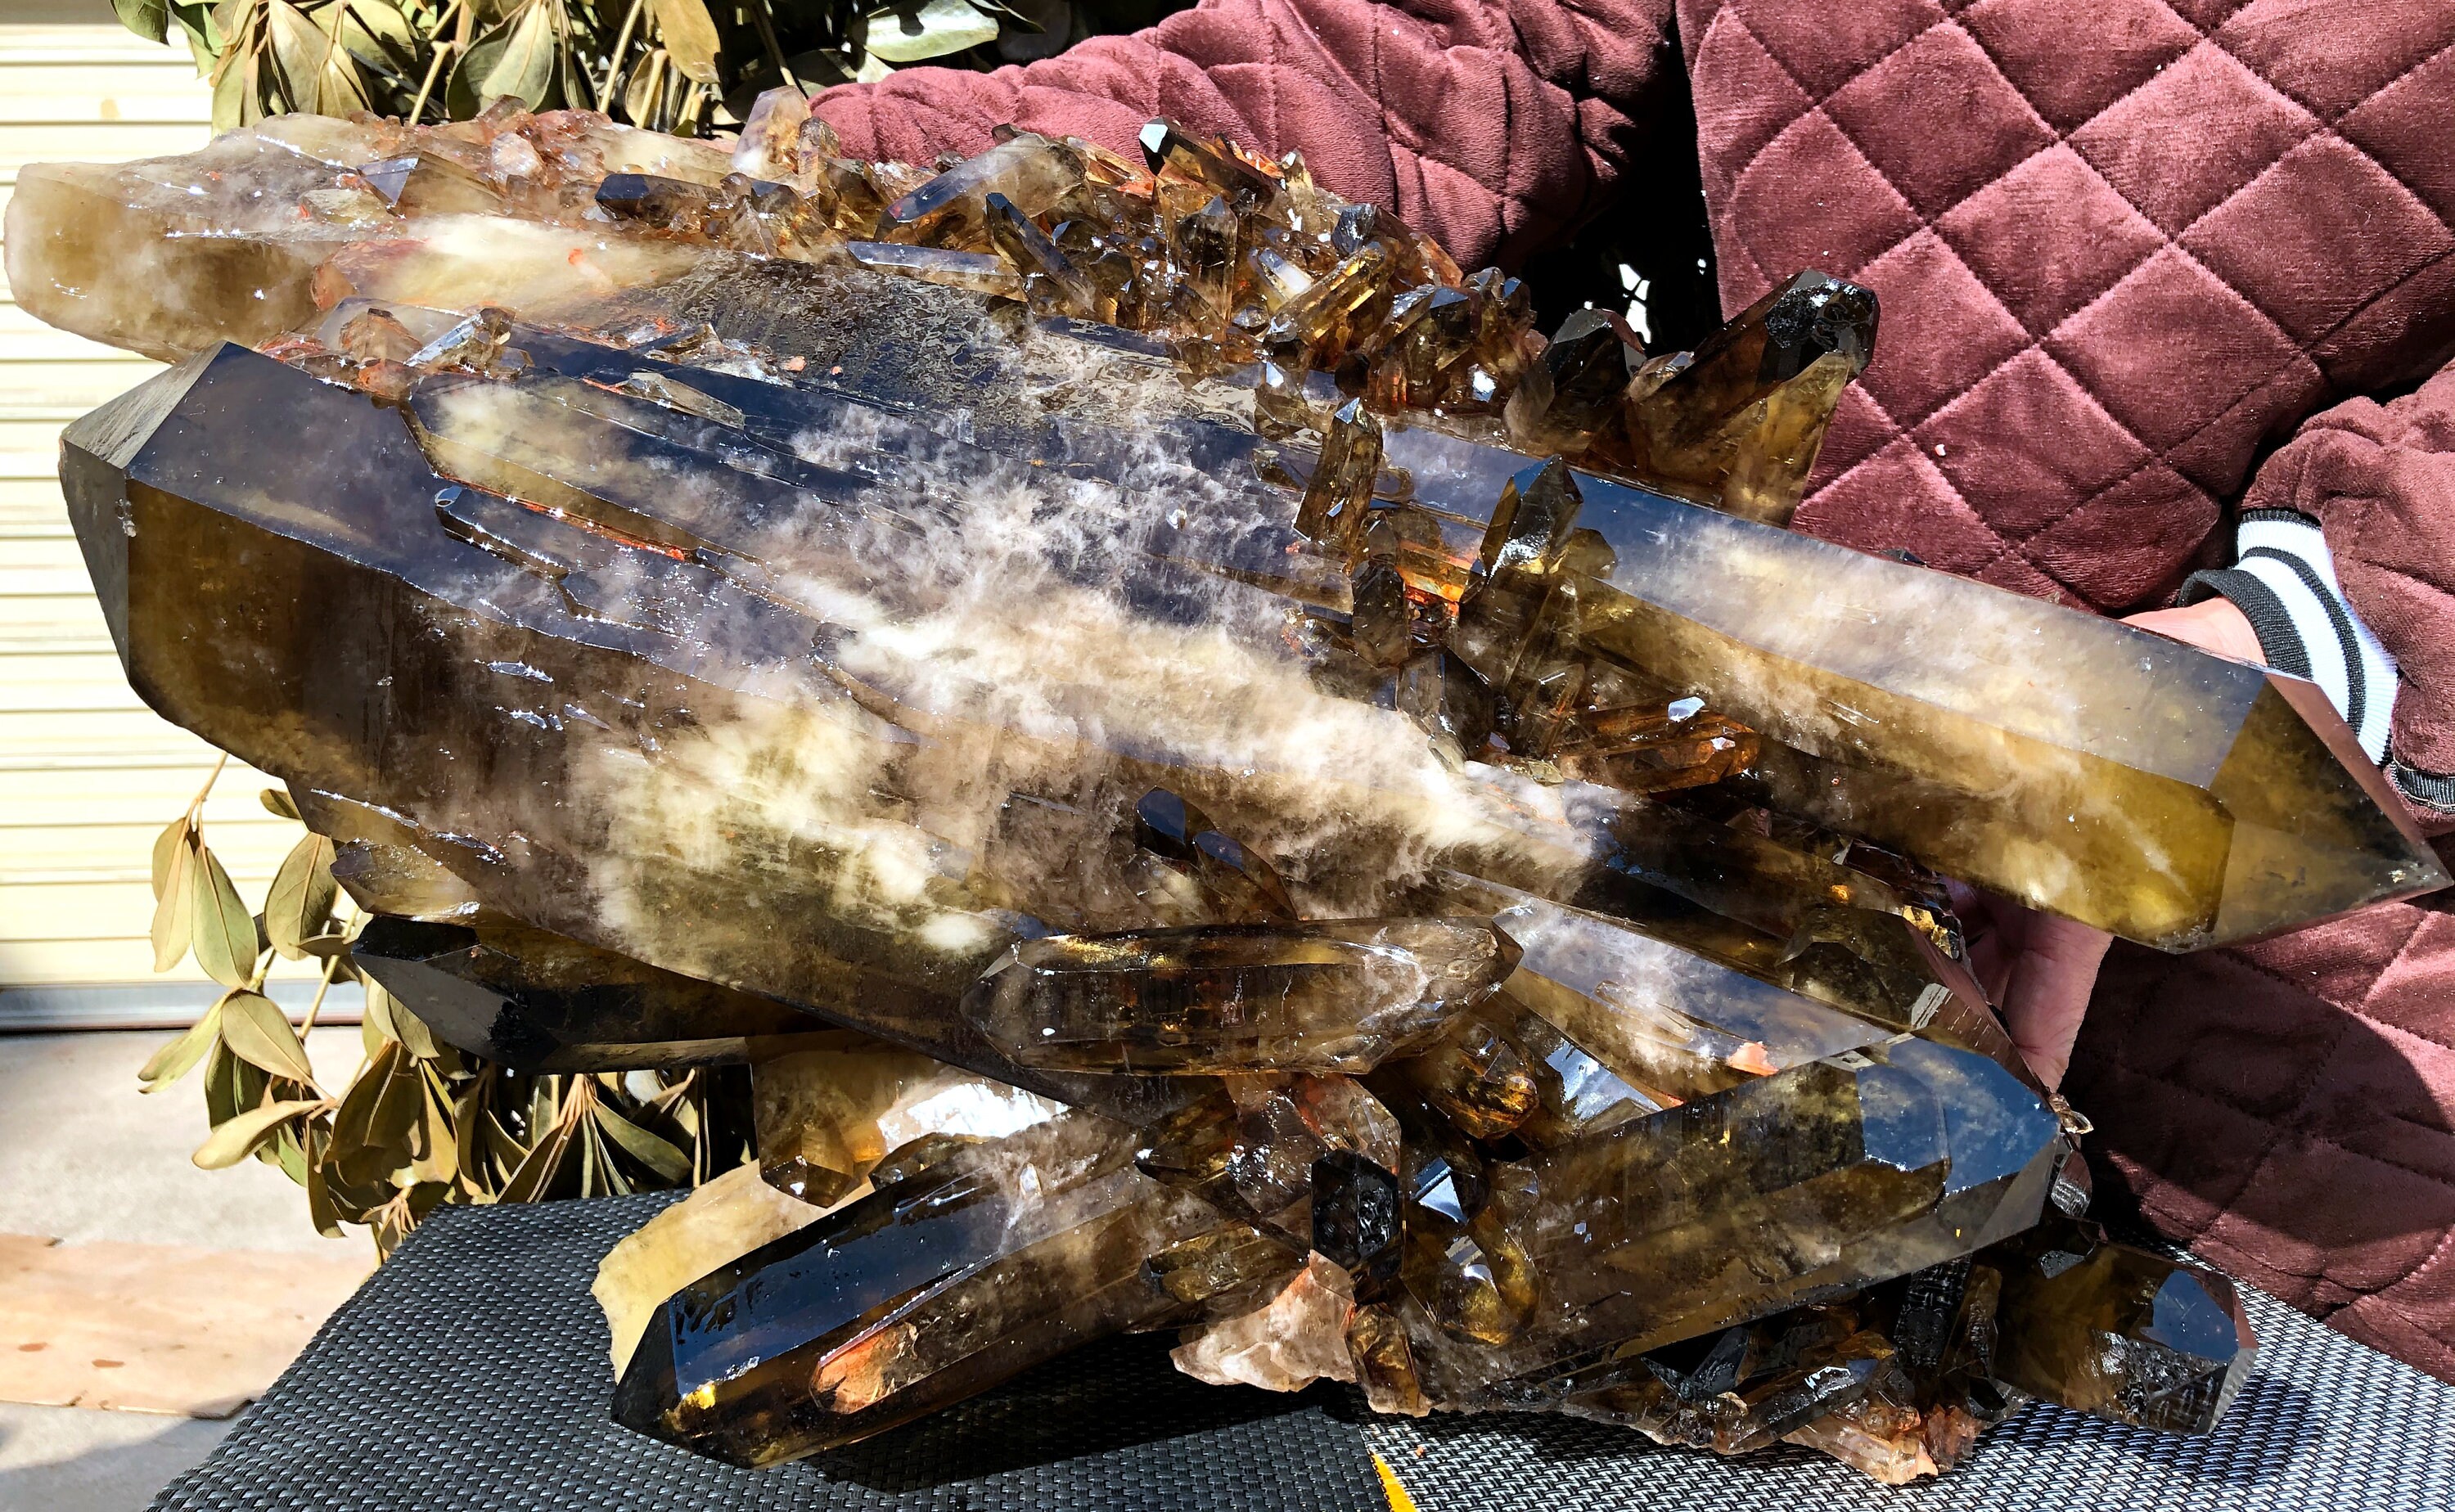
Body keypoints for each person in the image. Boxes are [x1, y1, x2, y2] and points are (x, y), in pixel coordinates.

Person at [803, 0, 2455, 1381]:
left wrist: (2339, 631)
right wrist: (844, 197)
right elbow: (1450, 45)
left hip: (2334, 1079)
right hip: (1718, 1011)